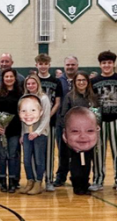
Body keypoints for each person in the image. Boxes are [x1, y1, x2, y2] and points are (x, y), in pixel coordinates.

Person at [90, 50, 117, 193]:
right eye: (104, 63)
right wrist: (95, 120)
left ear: (113, 64)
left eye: (109, 62)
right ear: (100, 65)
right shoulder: (93, 81)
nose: (106, 65)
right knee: (98, 152)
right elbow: (92, 102)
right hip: (99, 121)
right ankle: (98, 180)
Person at [35, 54, 63, 190]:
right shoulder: (33, 80)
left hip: (50, 123)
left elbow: (57, 102)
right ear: (36, 65)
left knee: (49, 152)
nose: (43, 66)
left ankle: (49, 180)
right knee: (35, 152)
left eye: (45, 64)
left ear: (49, 65)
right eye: (40, 64)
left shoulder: (56, 81)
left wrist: (47, 116)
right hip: (34, 122)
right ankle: (36, 180)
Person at [0, 68, 23, 193]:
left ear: (15, 78)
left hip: (15, 129)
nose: (9, 79)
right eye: (6, 76)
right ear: (3, 79)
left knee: (12, 155)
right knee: (1, 155)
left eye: (11, 76)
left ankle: (12, 180)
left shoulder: (20, 93)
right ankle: (2, 180)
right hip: (0, 129)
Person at [20, 75, 51, 195]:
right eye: (28, 84)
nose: (31, 86)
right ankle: (30, 181)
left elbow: (46, 117)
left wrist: (37, 132)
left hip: (40, 134)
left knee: (39, 159)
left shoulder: (43, 98)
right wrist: (23, 134)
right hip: (27, 133)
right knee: (27, 159)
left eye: (33, 83)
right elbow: (23, 117)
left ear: (38, 84)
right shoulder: (24, 98)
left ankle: (38, 182)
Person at [62, 107, 100, 196]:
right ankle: (77, 186)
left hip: (87, 148)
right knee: (76, 166)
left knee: (86, 165)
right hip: (74, 147)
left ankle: (85, 184)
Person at [54, 55, 79, 187]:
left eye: (72, 64)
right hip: (62, 122)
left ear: (77, 66)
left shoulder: (81, 80)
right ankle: (61, 176)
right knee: (62, 151)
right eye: (68, 65)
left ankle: (77, 176)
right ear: (64, 66)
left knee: (77, 150)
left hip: (79, 123)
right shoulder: (58, 81)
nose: (70, 67)